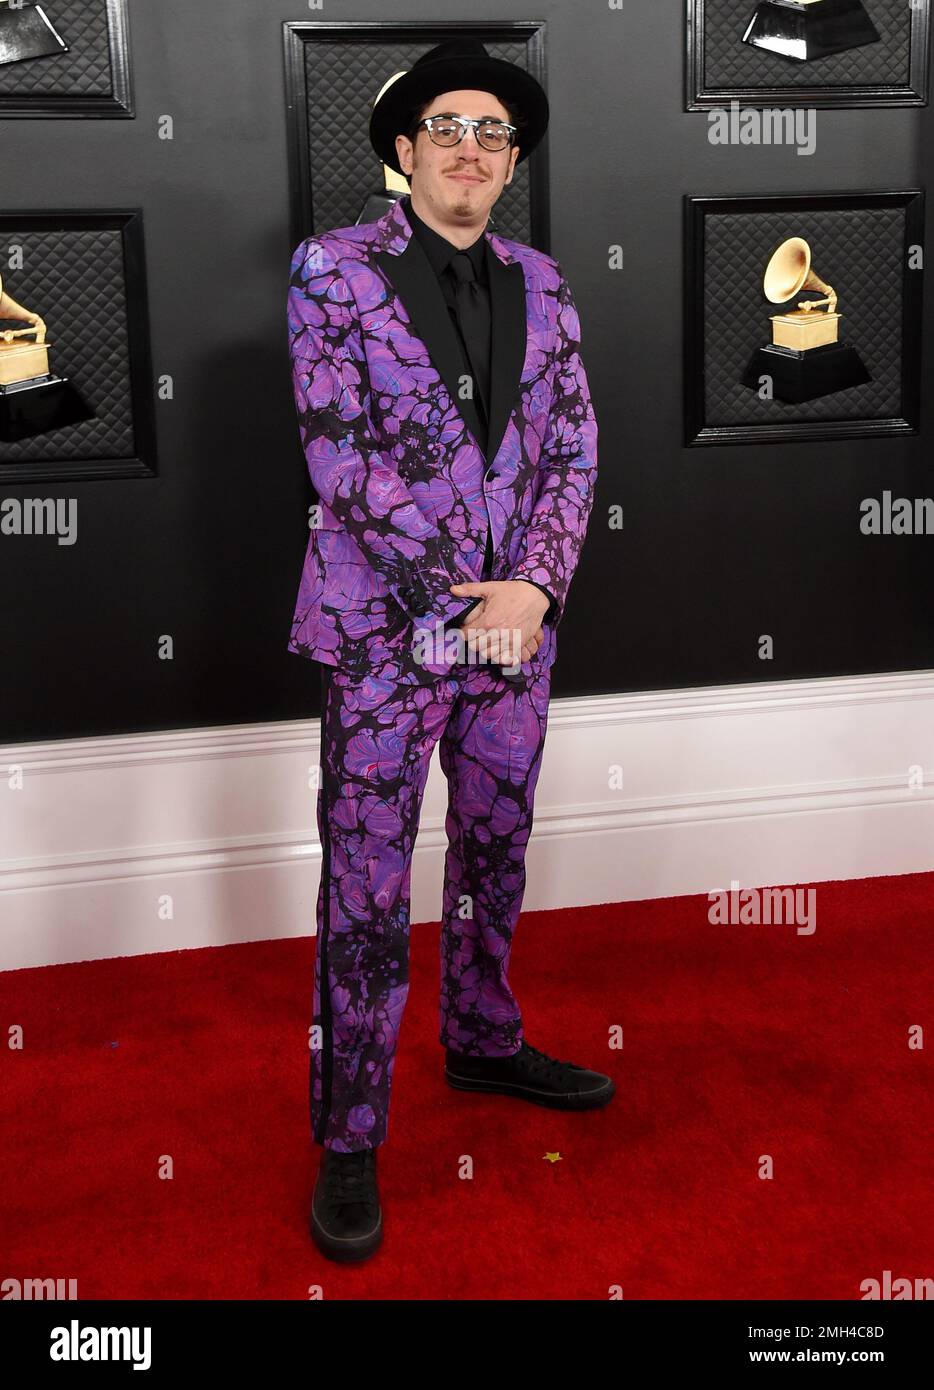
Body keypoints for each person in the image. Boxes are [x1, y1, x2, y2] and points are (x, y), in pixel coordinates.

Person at [286, 37, 612, 1265]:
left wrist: (529, 586)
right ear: (402, 150)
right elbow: (340, 457)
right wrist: (467, 590)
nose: (470, 148)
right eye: (446, 128)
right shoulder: (333, 270)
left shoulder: (547, 278)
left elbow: (575, 450)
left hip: (514, 632)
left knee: (494, 839)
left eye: (492, 133)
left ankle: (481, 1037)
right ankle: (351, 1132)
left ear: (508, 161)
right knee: (365, 881)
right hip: (384, 629)